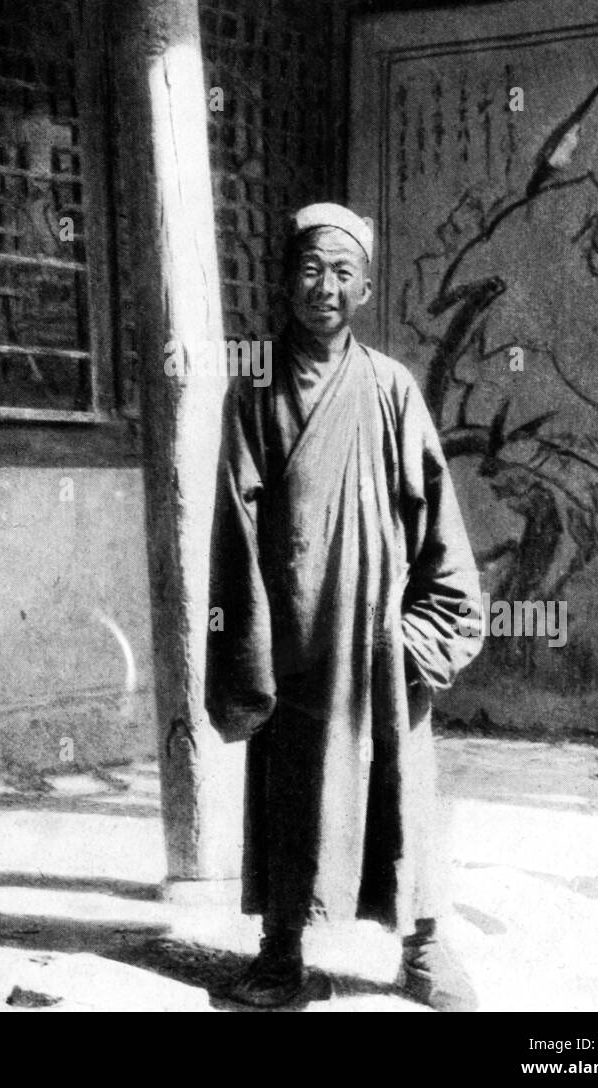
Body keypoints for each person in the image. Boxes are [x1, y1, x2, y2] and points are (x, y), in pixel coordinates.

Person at [206, 202, 484, 1010]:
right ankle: (281, 949)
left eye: (340, 272)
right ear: (284, 279)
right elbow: (236, 523)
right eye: (308, 269)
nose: (323, 287)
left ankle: (426, 950)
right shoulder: (254, 390)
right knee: (290, 790)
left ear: (363, 286)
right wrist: (248, 645)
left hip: (376, 639)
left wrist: (426, 632)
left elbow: (439, 521)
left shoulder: (392, 387)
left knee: (402, 786)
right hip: (293, 639)